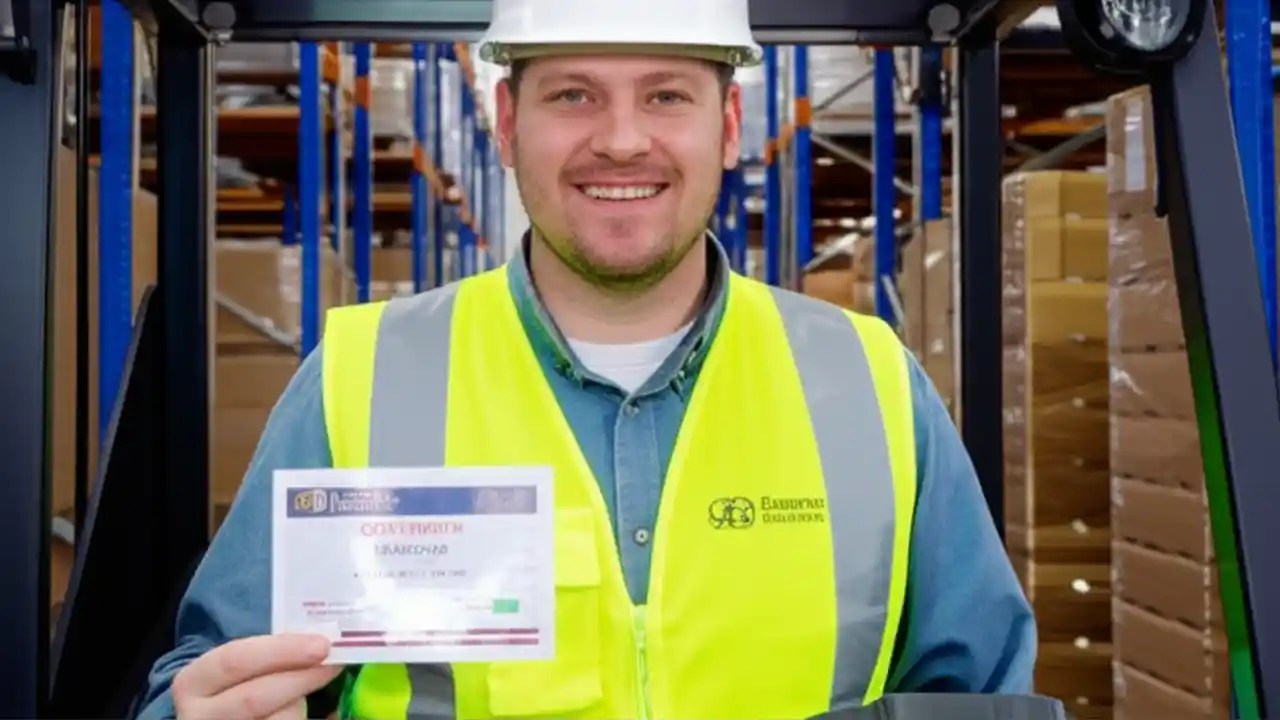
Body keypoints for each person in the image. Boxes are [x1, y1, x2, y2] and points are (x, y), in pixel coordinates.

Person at [137, 1, 1036, 718]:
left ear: (726, 123)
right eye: (572, 94)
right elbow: (207, 672)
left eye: (666, 96)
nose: (619, 139)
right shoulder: (359, 377)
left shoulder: (870, 381)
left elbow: (982, 691)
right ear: (505, 121)